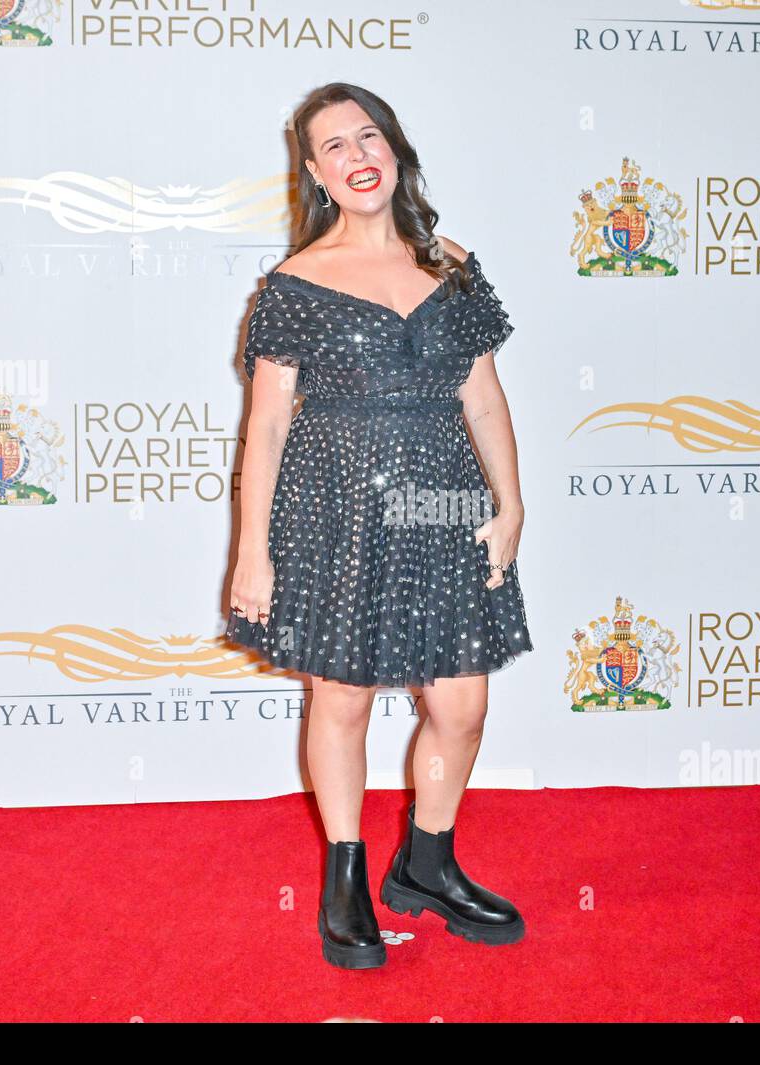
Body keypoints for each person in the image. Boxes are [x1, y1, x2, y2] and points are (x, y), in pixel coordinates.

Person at [225, 83, 533, 970]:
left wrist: (510, 503)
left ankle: (426, 865)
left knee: (463, 703)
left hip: (442, 500)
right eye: (334, 146)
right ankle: (347, 876)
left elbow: (482, 396)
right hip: (334, 506)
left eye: (370, 136)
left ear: (394, 149)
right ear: (316, 173)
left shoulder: (451, 266)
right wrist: (254, 550)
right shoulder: (295, 283)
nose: (357, 155)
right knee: (344, 698)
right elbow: (271, 425)